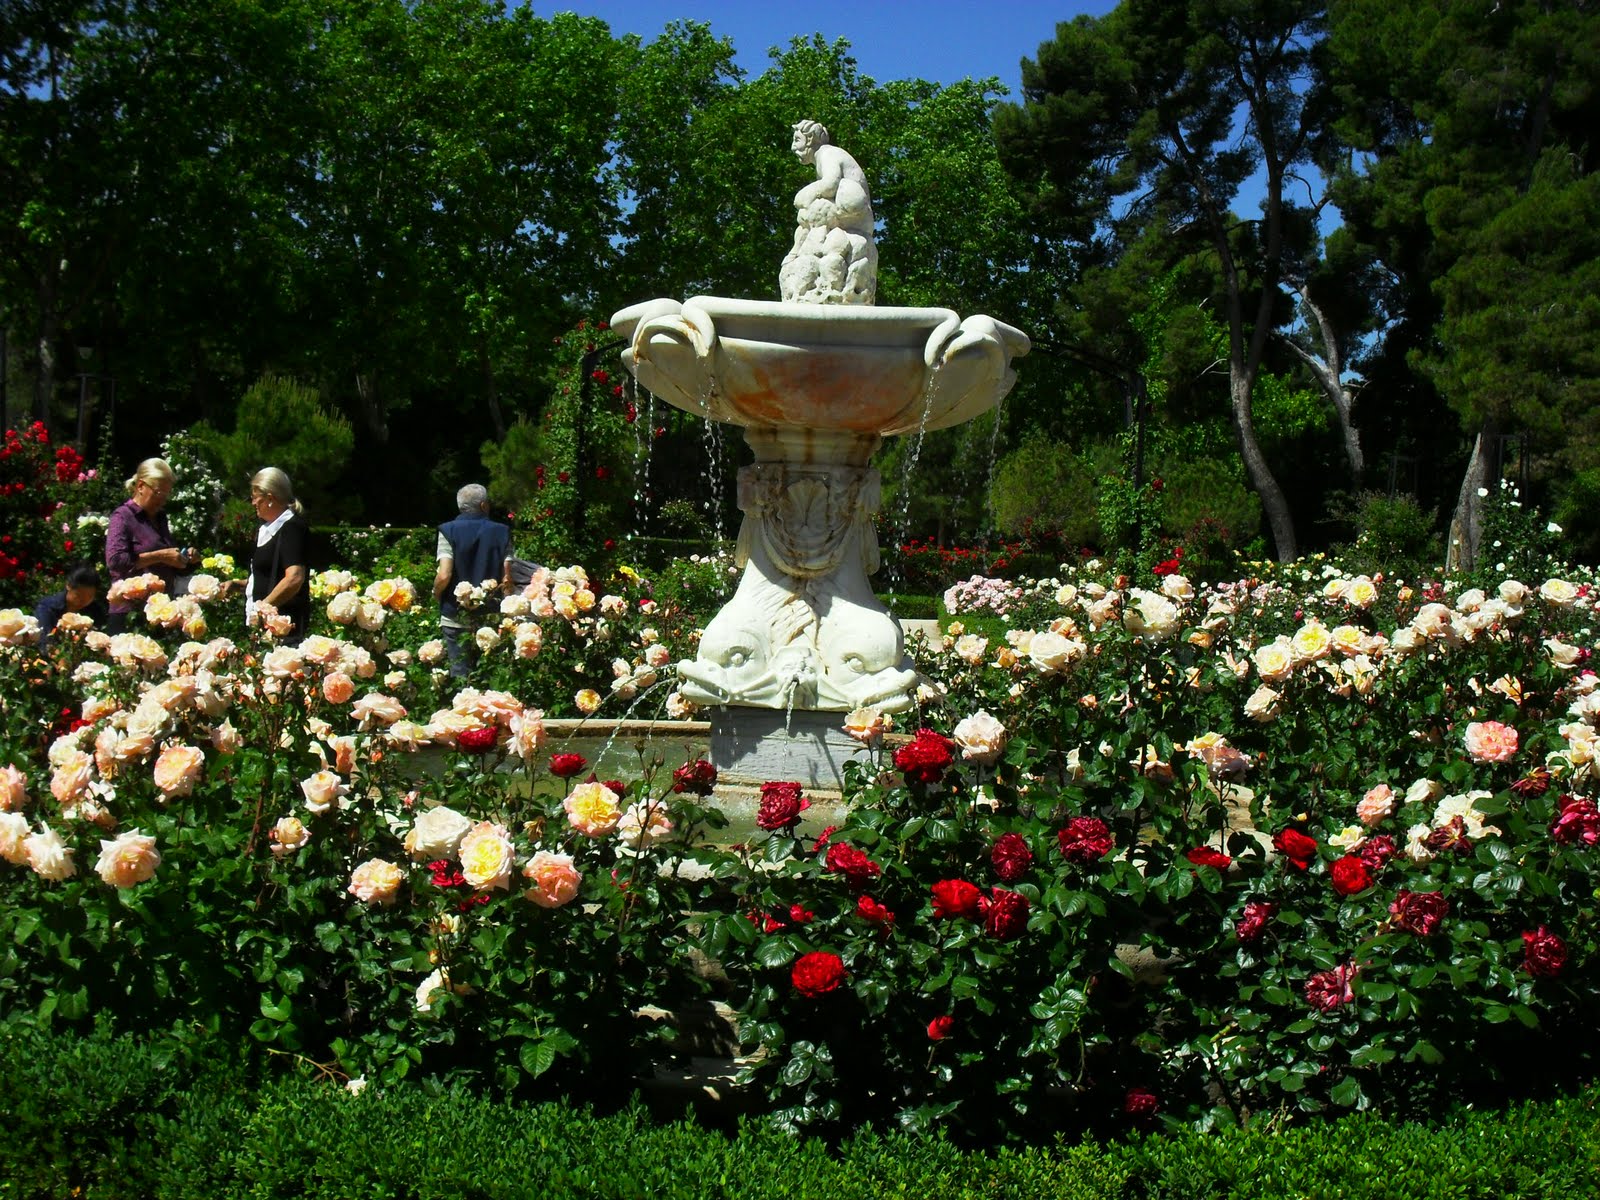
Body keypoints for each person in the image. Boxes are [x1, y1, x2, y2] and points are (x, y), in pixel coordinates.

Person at [104, 458, 196, 632]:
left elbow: (167, 563)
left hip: (160, 611)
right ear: (140, 486)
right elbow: (115, 561)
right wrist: (160, 556)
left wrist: (184, 558)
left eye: (166, 495)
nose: (162, 500)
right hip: (130, 613)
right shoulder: (123, 517)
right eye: (158, 493)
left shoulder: (160, 518)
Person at [434, 483, 510, 678]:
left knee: (461, 678)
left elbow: (444, 575)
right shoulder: (502, 532)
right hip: (490, 616)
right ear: (484, 505)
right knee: (492, 678)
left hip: (455, 615)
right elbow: (508, 577)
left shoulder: (447, 530)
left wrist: (436, 595)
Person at [246, 467, 311, 641]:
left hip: (283, 628)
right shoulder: (267, 529)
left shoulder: (291, 527)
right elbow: (266, 576)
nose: (252, 503)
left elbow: (294, 577)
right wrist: (237, 585)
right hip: (265, 629)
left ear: (269, 498)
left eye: (254, 498)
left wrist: (263, 608)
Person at [33, 563, 107, 653]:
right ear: (68, 586)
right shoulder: (47, 607)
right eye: (79, 596)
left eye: (89, 597)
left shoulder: (96, 610)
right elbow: (45, 641)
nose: (84, 601)